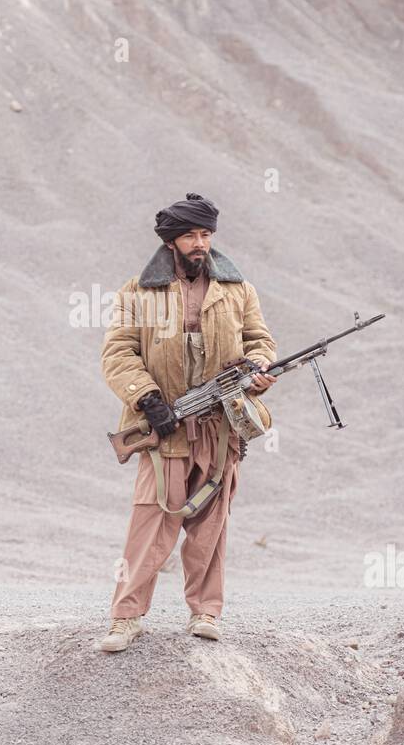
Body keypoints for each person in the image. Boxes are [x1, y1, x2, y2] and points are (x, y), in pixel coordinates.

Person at [99, 192, 278, 652]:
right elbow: (118, 354)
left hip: (220, 430)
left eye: (206, 234)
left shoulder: (238, 290)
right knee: (150, 524)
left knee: (210, 528)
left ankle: (205, 611)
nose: (200, 243)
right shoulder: (137, 292)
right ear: (171, 240)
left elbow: (261, 342)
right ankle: (126, 618)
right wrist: (148, 398)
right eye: (191, 235)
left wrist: (257, 369)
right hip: (165, 431)